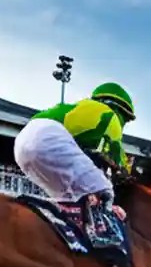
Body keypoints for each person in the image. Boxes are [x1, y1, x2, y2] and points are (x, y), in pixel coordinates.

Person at [14, 82, 136, 254]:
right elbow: (114, 160)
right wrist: (127, 173)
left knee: (69, 198)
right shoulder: (110, 116)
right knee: (104, 187)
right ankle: (102, 235)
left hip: (22, 144)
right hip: (49, 138)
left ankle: (70, 231)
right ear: (121, 110)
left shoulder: (83, 108)